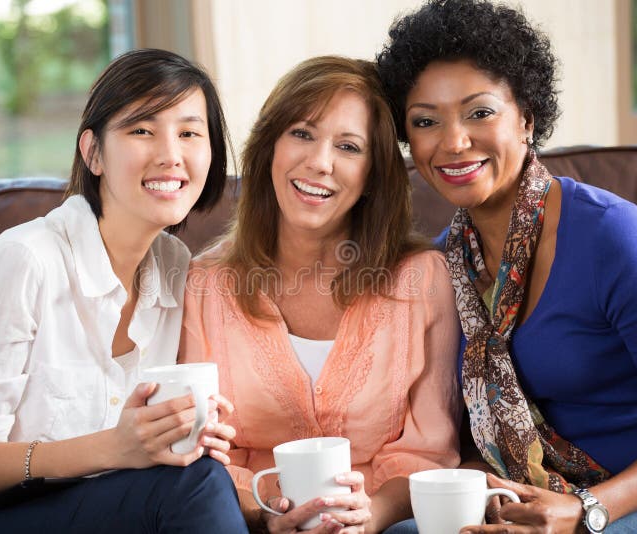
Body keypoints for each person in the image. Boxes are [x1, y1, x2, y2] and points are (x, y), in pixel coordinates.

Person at [0, 49, 248, 534]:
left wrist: (181, 429)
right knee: (196, 484)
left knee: (198, 473)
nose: (170, 154)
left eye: (189, 132)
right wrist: (116, 447)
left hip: (90, 509)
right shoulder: (24, 261)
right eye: (142, 130)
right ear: (93, 153)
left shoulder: (176, 268)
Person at [377, 0, 637, 532]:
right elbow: (466, 435)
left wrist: (588, 508)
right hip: (526, 500)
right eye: (426, 121)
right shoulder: (440, 265)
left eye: (479, 112)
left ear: (527, 118)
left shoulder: (613, 237)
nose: (453, 142)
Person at [180, 55, 463, 534]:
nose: (320, 163)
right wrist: (269, 513)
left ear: (374, 173)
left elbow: (428, 451)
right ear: (270, 145)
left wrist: (370, 517)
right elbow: (200, 453)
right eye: (302, 133)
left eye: (349, 147)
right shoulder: (206, 284)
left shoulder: (423, 281)